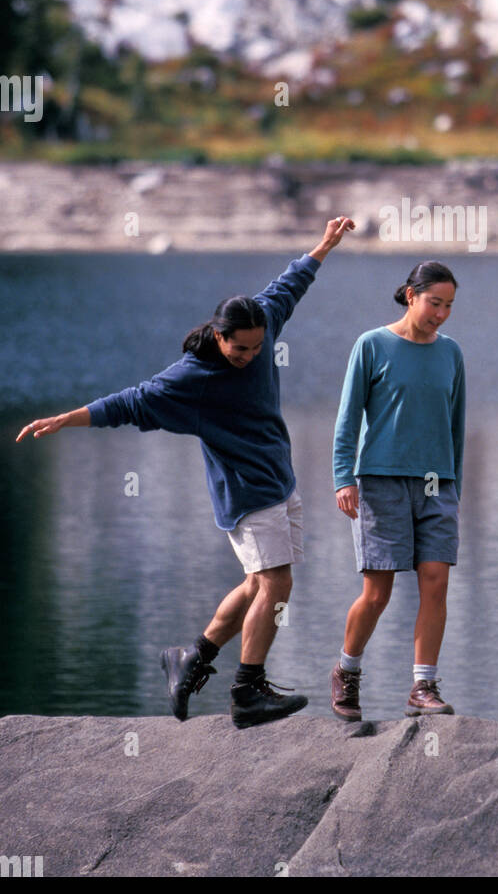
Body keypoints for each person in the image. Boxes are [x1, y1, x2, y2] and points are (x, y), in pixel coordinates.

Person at [16, 216, 355, 729]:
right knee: (277, 585)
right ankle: (247, 691)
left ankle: (190, 659)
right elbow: (132, 401)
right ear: (219, 338)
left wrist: (324, 246)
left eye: (257, 348)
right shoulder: (192, 379)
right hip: (246, 492)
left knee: (256, 585)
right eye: (239, 348)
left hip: (279, 481)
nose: (249, 357)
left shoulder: (263, 319)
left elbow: (289, 285)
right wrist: (69, 418)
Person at [330, 260, 465, 721]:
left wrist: (456, 487)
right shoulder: (372, 345)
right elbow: (348, 417)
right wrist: (343, 477)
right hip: (380, 481)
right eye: (434, 303)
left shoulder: (452, 353)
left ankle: (422, 686)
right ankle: (346, 671)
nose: (441, 313)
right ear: (411, 295)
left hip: (437, 484)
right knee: (377, 593)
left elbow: (456, 425)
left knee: (436, 581)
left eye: (448, 305)